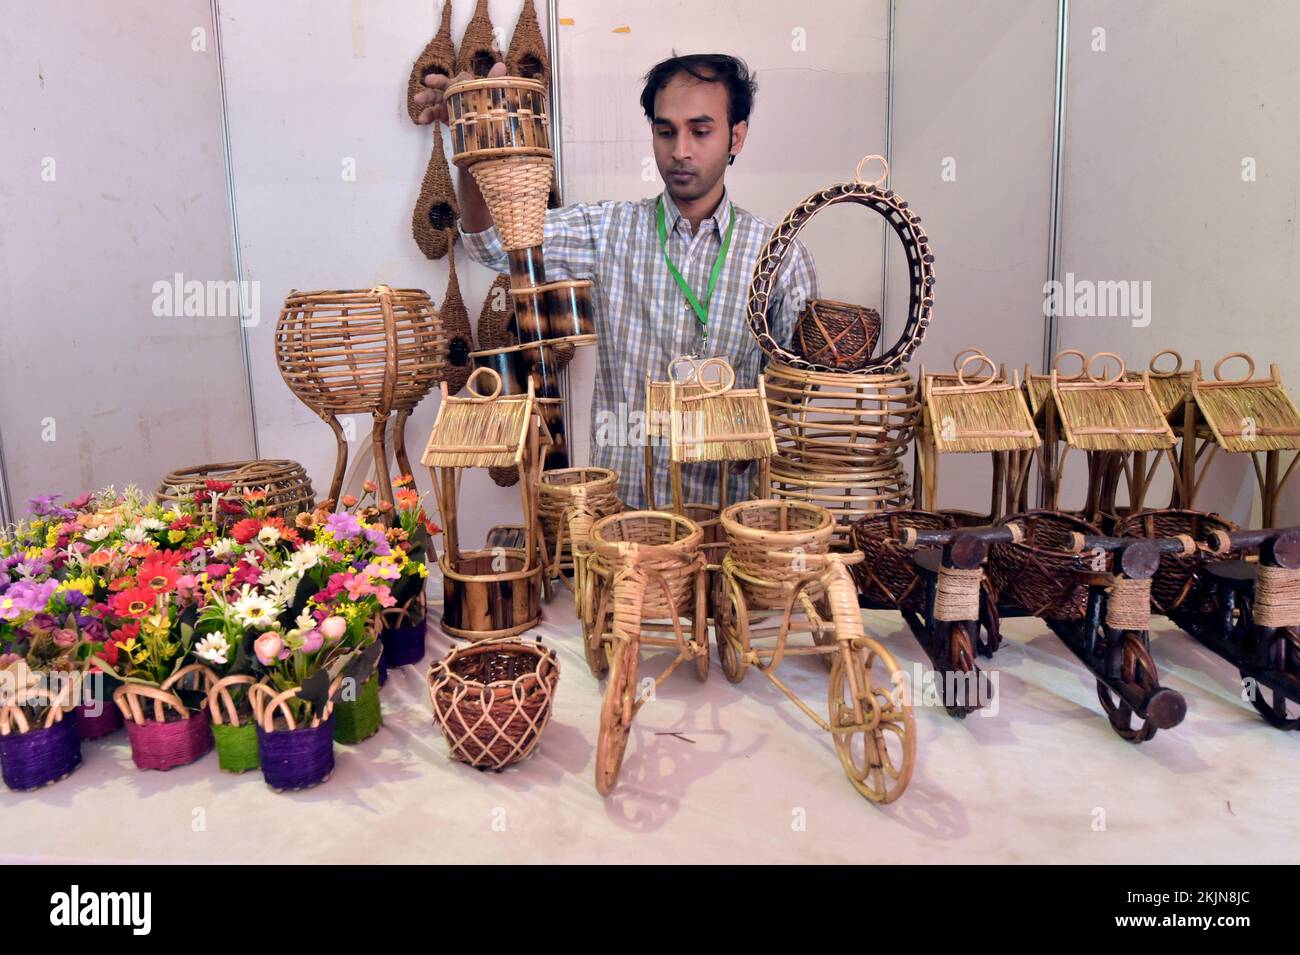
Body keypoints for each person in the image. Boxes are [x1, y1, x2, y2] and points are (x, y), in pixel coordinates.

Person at [415, 53, 817, 509]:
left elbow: (795, 400)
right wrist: (473, 146)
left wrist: (746, 437)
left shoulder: (780, 256)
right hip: (618, 526)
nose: (680, 150)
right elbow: (490, 245)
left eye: (700, 131)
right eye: (666, 131)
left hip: (729, 529)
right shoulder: (609, 230)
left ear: (736, 137)